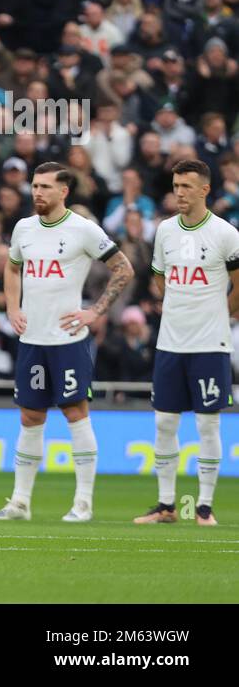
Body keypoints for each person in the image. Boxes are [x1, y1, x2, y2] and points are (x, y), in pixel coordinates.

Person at [0, 162, 133, 522]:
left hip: (68, 340)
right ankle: (20, 502)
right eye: (35, 186)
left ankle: (83, 503)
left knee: (75, 412)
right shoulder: (24, 227)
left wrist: (95, 311)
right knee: (30, 415)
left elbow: (124, 268)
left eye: (45, 187)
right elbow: (11, 266)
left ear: (64, 191)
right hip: (32, 338)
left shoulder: (83, 230)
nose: (37, 192)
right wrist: (12, 305)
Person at [137, 159, 238, 526]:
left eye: (186, 186)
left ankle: (205, 507)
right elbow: (160, 279)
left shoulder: (225, 234)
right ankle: (166, 505)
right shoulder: (165, 231)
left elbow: (238, 284)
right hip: (170, 344)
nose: (179, 192)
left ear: (204, 190)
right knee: (164, 423)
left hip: (210, 344)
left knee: (208, 425)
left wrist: (220, 314)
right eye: (176, 185)